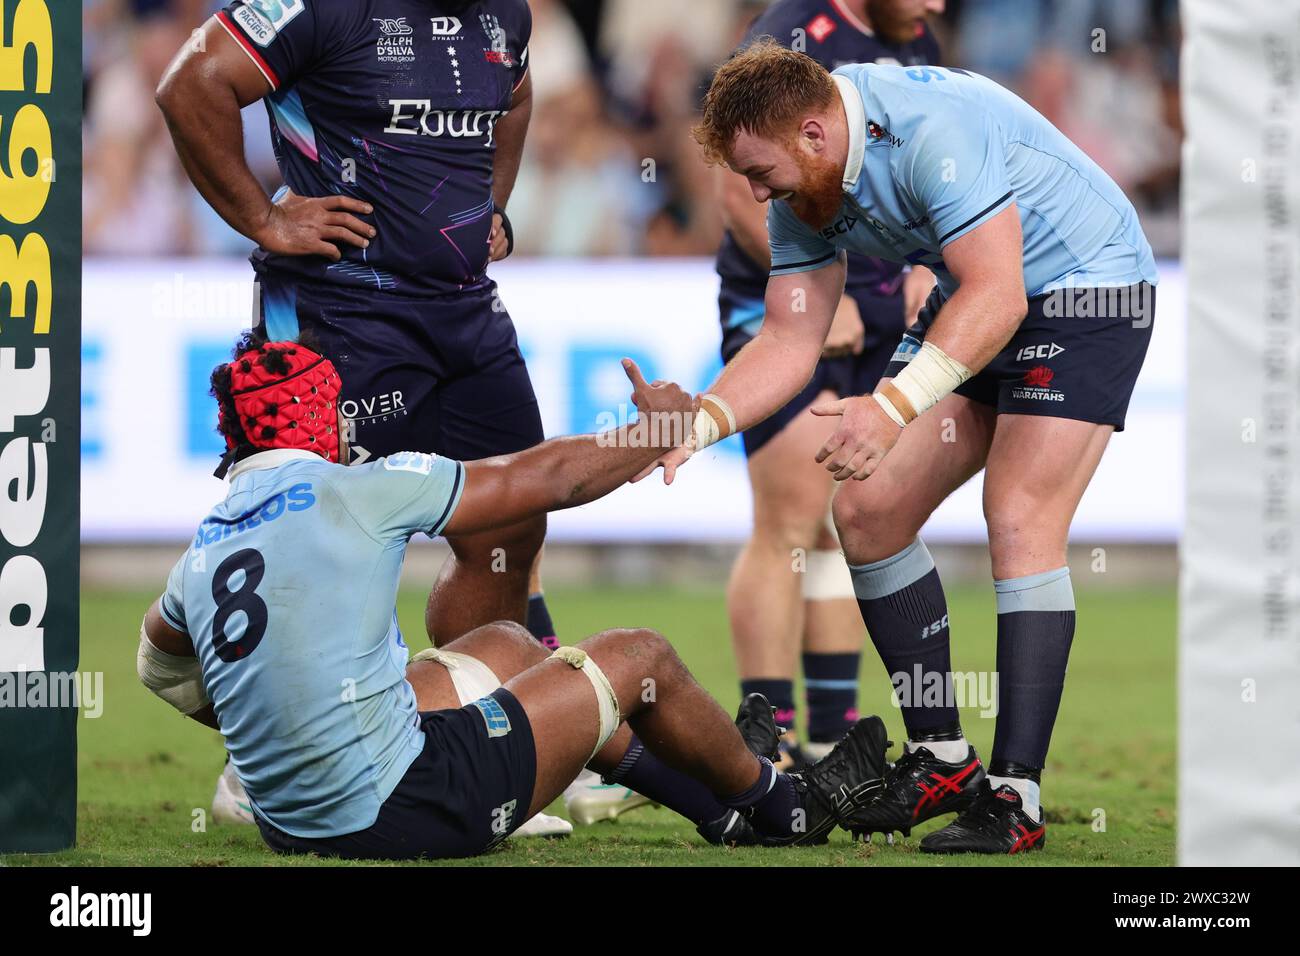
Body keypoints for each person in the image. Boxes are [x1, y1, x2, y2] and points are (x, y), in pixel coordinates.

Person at [654, 42, 1157, 854]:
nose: (753, 196)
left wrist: (889, 407)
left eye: (760, 172)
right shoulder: (799, 189)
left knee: (1018, 515)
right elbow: (789, 339)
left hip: (1089, 283)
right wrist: (702, 422)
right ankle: (944, 760)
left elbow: (1000, 292)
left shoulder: (929, 131)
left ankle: (1016, 797)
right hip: (988, 289)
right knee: (867, 509)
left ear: (815, 135)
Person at [136, 334, 890, 858]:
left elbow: (160, 671)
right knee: (637, 655)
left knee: (506, 647)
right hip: (399, 808)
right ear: (327, 421)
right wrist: (657, 427)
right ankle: (784, 805)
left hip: (288, 823)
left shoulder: (202, 550)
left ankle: (719, 809)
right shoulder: (357, 488)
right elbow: (548, 479)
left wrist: (272, 727)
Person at [154, 0, 614, 823]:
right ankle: (249, 767)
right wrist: (262, 217)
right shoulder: (319, 8)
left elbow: (512, 96)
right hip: (340, 312)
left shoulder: (504, 16)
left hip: (466, 313)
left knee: (508, 528)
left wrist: (493, 208)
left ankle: (472, 729)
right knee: (312, 541)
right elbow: (189, 85)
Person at [712, 0, 944, 772]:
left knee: (846, 517)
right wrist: (815, 291)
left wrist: (924, 263)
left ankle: (829, 732)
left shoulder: (919, 38)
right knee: (789, 522)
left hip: (883, 313)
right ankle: (765, 738)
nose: (936, 7)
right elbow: (732, 186)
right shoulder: (789, 32)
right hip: (789, 306)